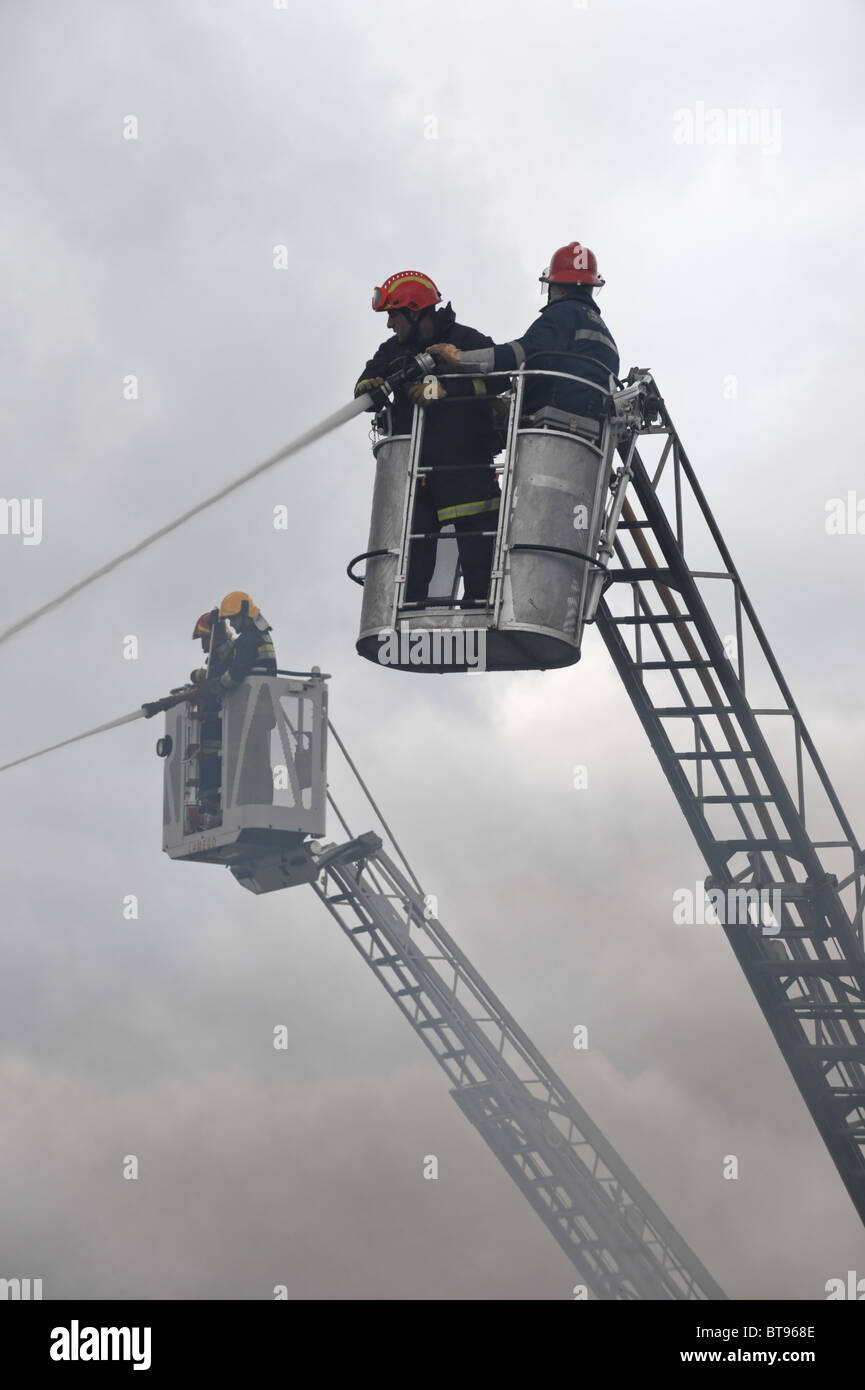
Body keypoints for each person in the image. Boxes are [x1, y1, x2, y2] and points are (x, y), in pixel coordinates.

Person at [355, 270, 502, 607]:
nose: (390, 324)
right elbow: (364, 385)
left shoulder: (466, 340)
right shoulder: (392, 351)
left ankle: (481, 611)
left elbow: (501, 380)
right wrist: (368, 388)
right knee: (412, 558)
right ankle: (408, 616)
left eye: (393, 314)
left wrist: (446, 389)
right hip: (416, 474)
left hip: (466, 470)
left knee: (479, 557)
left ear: (416, 310)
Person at [427, 242, 619, 436]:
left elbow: (520, 354)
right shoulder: (606, 336)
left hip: (551, 431)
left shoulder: (563, 314)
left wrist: (458, 357)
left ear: (557, 286)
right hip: (592, 436)